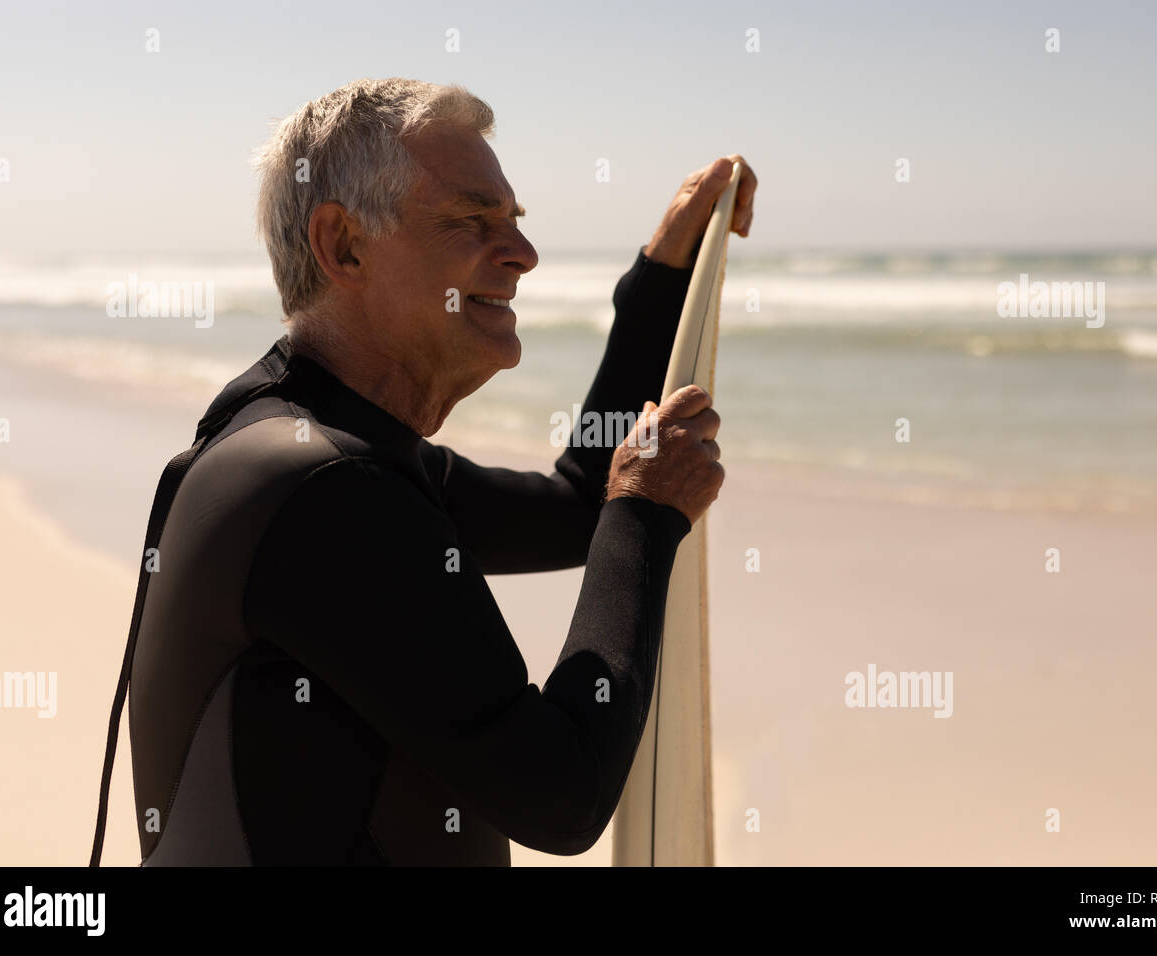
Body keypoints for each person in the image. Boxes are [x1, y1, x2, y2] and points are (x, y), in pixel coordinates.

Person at [106, 78, 755, 865]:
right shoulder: (324, 491)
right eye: (471, 221)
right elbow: (563, 794)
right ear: (343, 246)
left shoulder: (316, 446)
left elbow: (579, 507)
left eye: (515, 220)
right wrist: (647, 513)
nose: (523, 254)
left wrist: (660, 284)